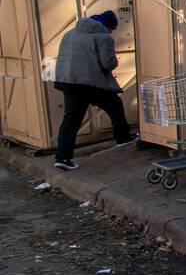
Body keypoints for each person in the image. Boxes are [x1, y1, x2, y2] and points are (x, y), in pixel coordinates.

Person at [52, 10, 137, 170]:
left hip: (67, 81)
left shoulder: (70, 33)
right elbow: (108, 63)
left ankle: (62, 157)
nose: (111, 32)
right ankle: (123, 137)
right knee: (114, 104)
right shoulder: (104, 37)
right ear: (108, 26)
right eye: (112, 29)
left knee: (71, 119)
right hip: (88, 83)